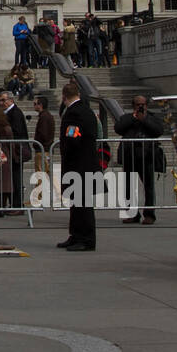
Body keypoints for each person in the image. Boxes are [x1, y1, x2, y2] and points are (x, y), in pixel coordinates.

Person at [57, 81, 99, 251]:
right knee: (78, 203)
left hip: (79, 164)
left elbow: (72, 138)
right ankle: (76, 235)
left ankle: (86, 238)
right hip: (86, 163)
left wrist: (66, 150)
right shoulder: (86, 110)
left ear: (64, 97)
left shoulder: (74, 113)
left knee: (82, 205)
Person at [116, 96, 166, 224]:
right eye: (138, 104)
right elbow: (118, 128)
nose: (140, 107)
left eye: (142, 104)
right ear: (133, 105)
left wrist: (144, 119)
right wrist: (134, 118)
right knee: (129, 186)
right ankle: (132, 213)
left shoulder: (152, 118)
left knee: (149, 187)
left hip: (146, 156)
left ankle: (149, 214)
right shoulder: (127, 117)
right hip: (130, 156)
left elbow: (158, 131)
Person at [0, 89, 29, 212]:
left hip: (16, 150)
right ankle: (14, 204)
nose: (1, 103)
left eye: (3, 100)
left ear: (11, 100)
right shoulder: (7, 113)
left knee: (16, 179)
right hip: (11, 150)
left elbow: (17, 132)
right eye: (0, 100)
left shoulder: (15, 113)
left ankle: (17, 205)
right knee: (12, 178)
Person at [32, 96, 55, 202]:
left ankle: (38, 197)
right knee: (45, 174)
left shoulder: (44, 117)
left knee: (40, 174)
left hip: (42, 150)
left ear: (40, 105)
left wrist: (38, 143)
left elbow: (44, 134)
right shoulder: (46, 116)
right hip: (44, 149)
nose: (34, 105)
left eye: (35, 103)